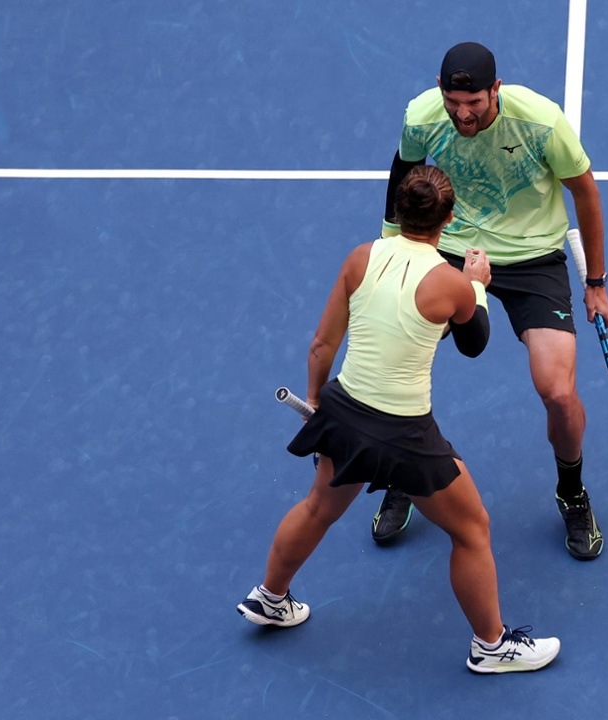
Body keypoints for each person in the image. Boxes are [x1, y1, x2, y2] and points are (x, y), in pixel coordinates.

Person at [236, 166, 560, 674]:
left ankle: (269, 598)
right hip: (405, 433)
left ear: (397, 211)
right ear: (447, 220)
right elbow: (475, 344)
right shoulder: (449, 283)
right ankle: (492, 646)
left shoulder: (360, 257)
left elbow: (322, 344)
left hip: (343, 412)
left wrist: (317, 405)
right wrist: (475, 286)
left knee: (319, 506)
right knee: (473, 529)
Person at [370, 41, 608, 561]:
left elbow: (585, 193)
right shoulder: (421, 116)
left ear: (495, 90)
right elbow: (404, 177)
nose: (463, 113)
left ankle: (571, 489)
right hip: (454, 248)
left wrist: (596, 280)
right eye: (453, 101)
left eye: (474, 102)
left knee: (558, 392)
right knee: (397, 361)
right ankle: (402, 475)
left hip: (533, 255)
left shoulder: (543, 122)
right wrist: (392, 248)